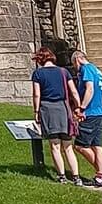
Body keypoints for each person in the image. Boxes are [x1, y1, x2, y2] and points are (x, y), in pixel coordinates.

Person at [31, 43, 83, 185]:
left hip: (48, 109)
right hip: (63, 109)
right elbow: (73, 91)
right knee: (68, 146)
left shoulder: (38, 74)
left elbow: (37, 94)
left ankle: (62, 176)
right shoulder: (63, 72)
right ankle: (76, 177)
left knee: (55, 145)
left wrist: (36, 111)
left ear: (40, 60)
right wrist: (78, 107)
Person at [70, 46, 102, 186]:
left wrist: (82, 108)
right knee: (97, 145)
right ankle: (100, 175)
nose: (75, 68)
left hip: (91, 113)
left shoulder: (86, 69)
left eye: (74, 64)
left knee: (80, 146)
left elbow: (90, 89)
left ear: (77, 59)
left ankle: (101, 171)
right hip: (101, 112)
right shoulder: (96, 70)